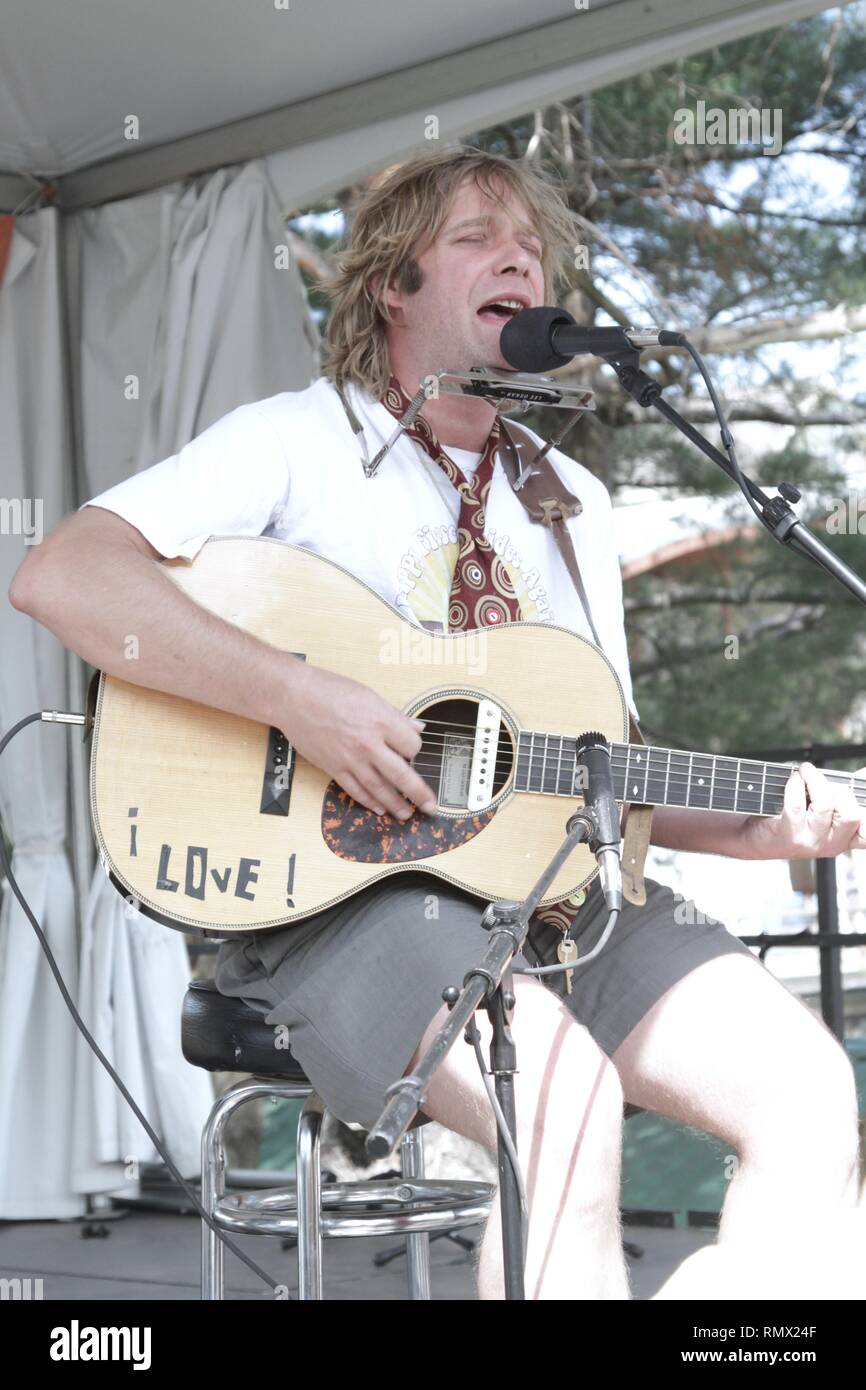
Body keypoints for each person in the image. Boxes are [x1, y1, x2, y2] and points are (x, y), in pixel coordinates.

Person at [10, 146, 864, 1301]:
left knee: (807, 1091)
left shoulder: (570, 500)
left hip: (560, 888)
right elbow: (64, 576)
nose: (519, 256)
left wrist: (757, 828)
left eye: (531, 245)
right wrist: (298, 698)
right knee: (557, 1102)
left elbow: (589, 764)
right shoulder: (294, 442)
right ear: (389, 286)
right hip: (344, 896)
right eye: (476, 238)